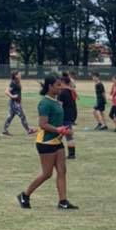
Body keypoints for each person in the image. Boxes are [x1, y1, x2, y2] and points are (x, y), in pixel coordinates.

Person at [17, 74, 76, 211]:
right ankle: (25, 195)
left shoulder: (56, 101)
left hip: (57, 141)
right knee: (47, 173)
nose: (60, 87)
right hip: (46, 142)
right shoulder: (45, 103)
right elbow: (43, 124)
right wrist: (58, 130)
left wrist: (65, 130)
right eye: (58, 85)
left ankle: (63, 201)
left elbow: (57, 121)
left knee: (62, 171)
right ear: (50, 86)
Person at [2, 71, 33, 136]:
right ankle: (28, 130)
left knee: (10, 117)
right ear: (16, 76)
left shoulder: (17, 82)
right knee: (22, 116)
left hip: (15, 102)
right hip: (14, 103)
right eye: (19, 74)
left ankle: (5, 130)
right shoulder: (13, 83)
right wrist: (12, 96)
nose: (20, 75)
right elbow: (6, 91)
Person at [58, 73, 78, 159]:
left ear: (63, 82)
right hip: (70, 115)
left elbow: (59, 106)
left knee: (68, 136)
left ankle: (71, 154)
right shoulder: (71, 91)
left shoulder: (62, 93)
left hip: (64, 116)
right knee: (63, 135)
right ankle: (70, 153)